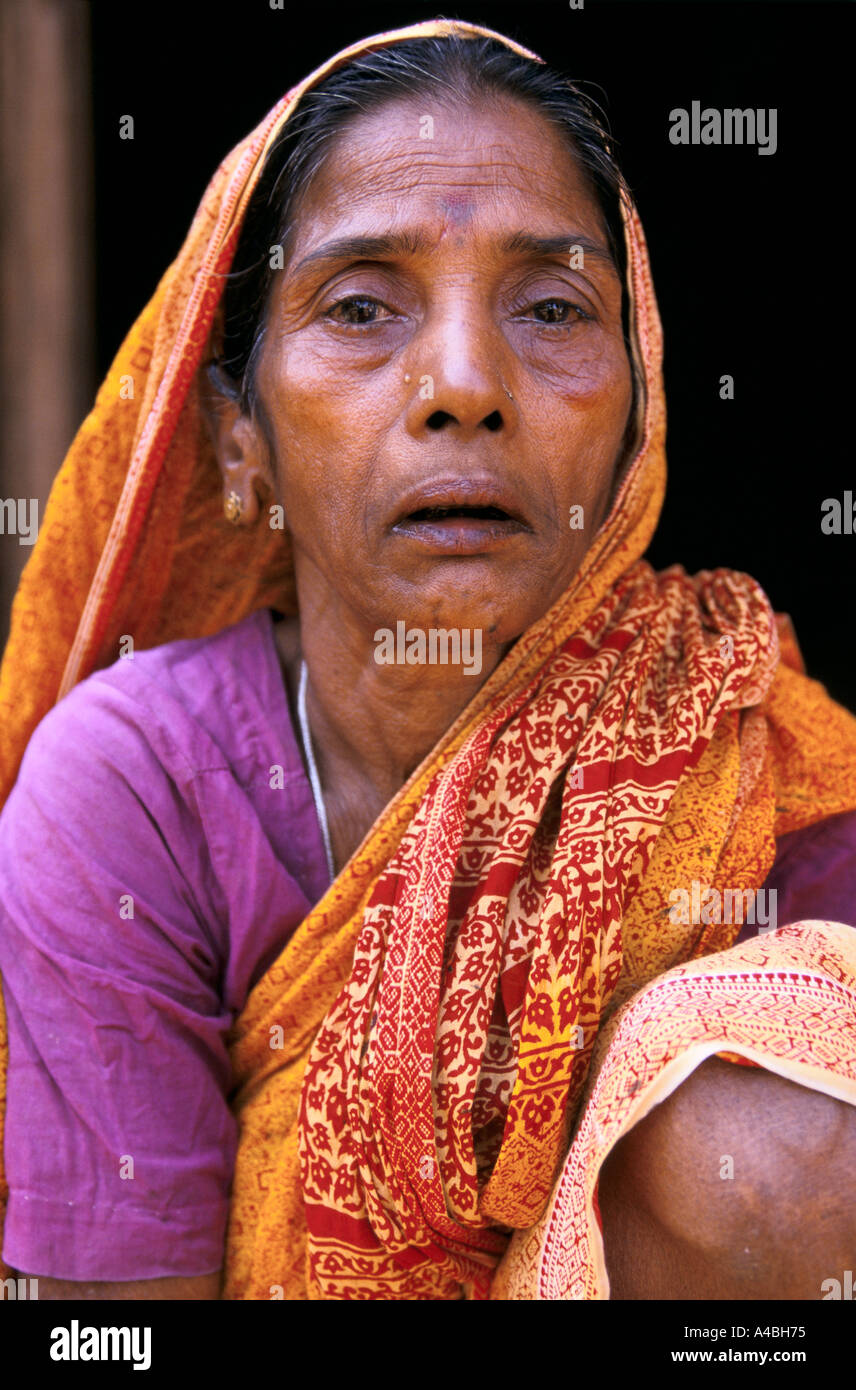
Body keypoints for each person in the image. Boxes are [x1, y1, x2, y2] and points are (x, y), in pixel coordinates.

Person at [0, 18, 854, 1302]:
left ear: (639, 414)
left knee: (779, 1111)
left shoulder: (730, 729)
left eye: (552, 307)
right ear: (240, 446)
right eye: (360, 308)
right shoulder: (137, 791)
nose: (464, 382)